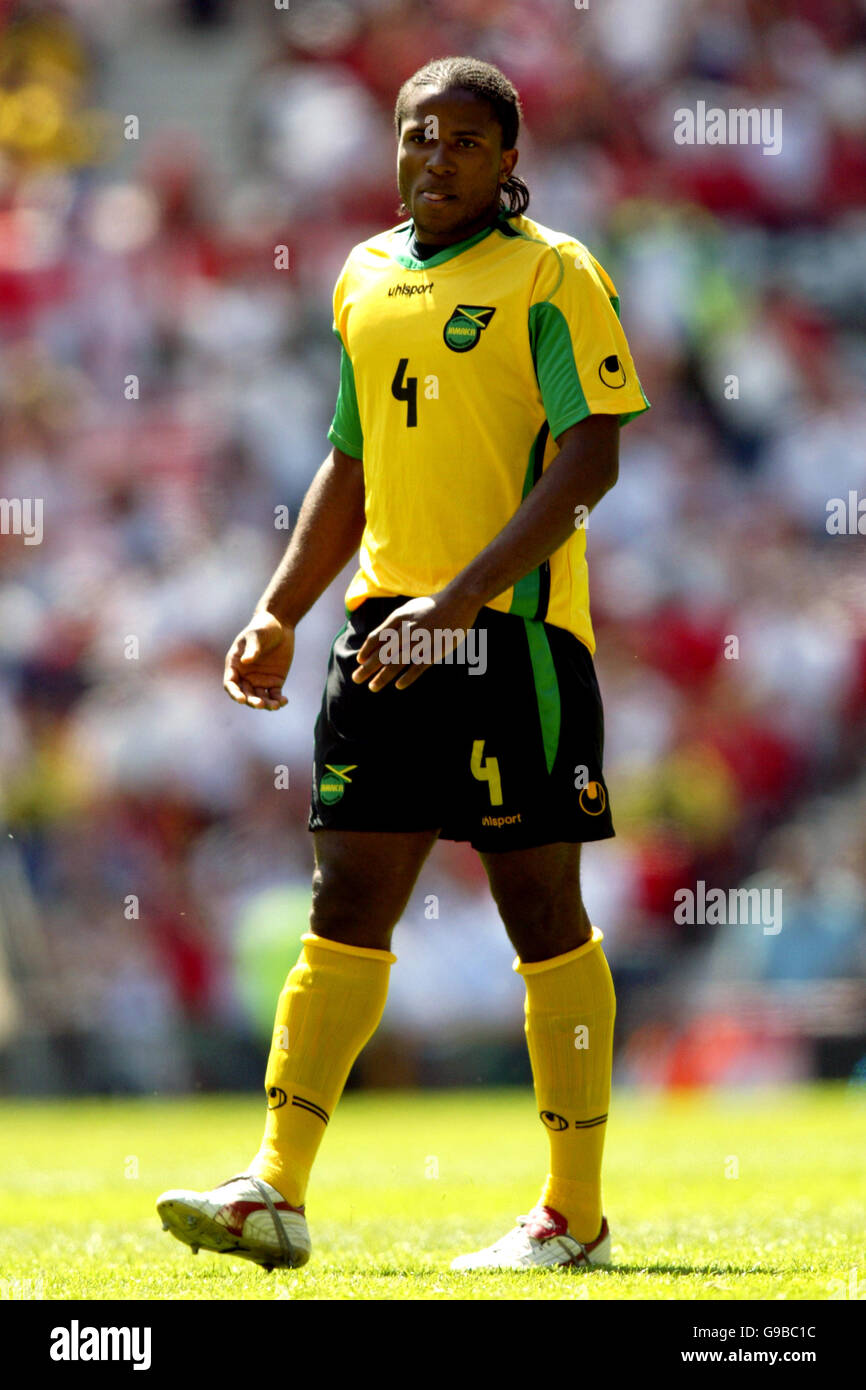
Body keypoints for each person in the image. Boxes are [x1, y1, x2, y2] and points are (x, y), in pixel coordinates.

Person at [156, 55, 650, 1273]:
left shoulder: (550, 274)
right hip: (381, 638)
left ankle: (572, 1213)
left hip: (512, 637)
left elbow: (587, 463)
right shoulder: (362, 277)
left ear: (507, 160)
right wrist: (277, 610)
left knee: (538, 910)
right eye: (420, 136)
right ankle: (273, 1185)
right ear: (393, 146)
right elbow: (349, 460)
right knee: (345, 902)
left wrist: (458, 602)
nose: (438, 158)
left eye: (467, 140)